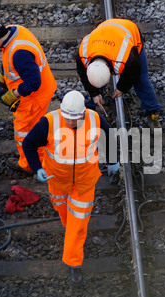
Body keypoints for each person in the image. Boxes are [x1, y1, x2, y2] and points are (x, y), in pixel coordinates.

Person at [22, 90, 120, 285]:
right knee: (63, 212)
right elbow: (29, 144)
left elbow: (109, 139)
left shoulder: (95, 119)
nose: (71, 122)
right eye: (67, 118)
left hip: (84, 183)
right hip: (57, 180)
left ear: (83, 113)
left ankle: (74, 262)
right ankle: (73, 238)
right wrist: (37, 168)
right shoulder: (49, 122)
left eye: (75, 119)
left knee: (78, 224)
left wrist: (112, 161)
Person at [0, 16, 57, 174]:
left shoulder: (19, 53)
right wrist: (2, 82)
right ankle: (36, 158)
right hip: (41, 87)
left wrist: (13, 94)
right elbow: (8, 61)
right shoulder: (14, 32)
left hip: (34, 96)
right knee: (32, 127)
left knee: (25, 131)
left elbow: (33, 82)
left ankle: (31, 165)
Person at [76, 18, 161, 127]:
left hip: (129, 30)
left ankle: (152, 111)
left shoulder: (127, 56)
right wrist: (94, 94)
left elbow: (133, 73)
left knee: (141, 80)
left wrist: (122, 88)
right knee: (95, 82)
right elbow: (84, 76)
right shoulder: (82, 54)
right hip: (105, 29)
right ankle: (93, 105)